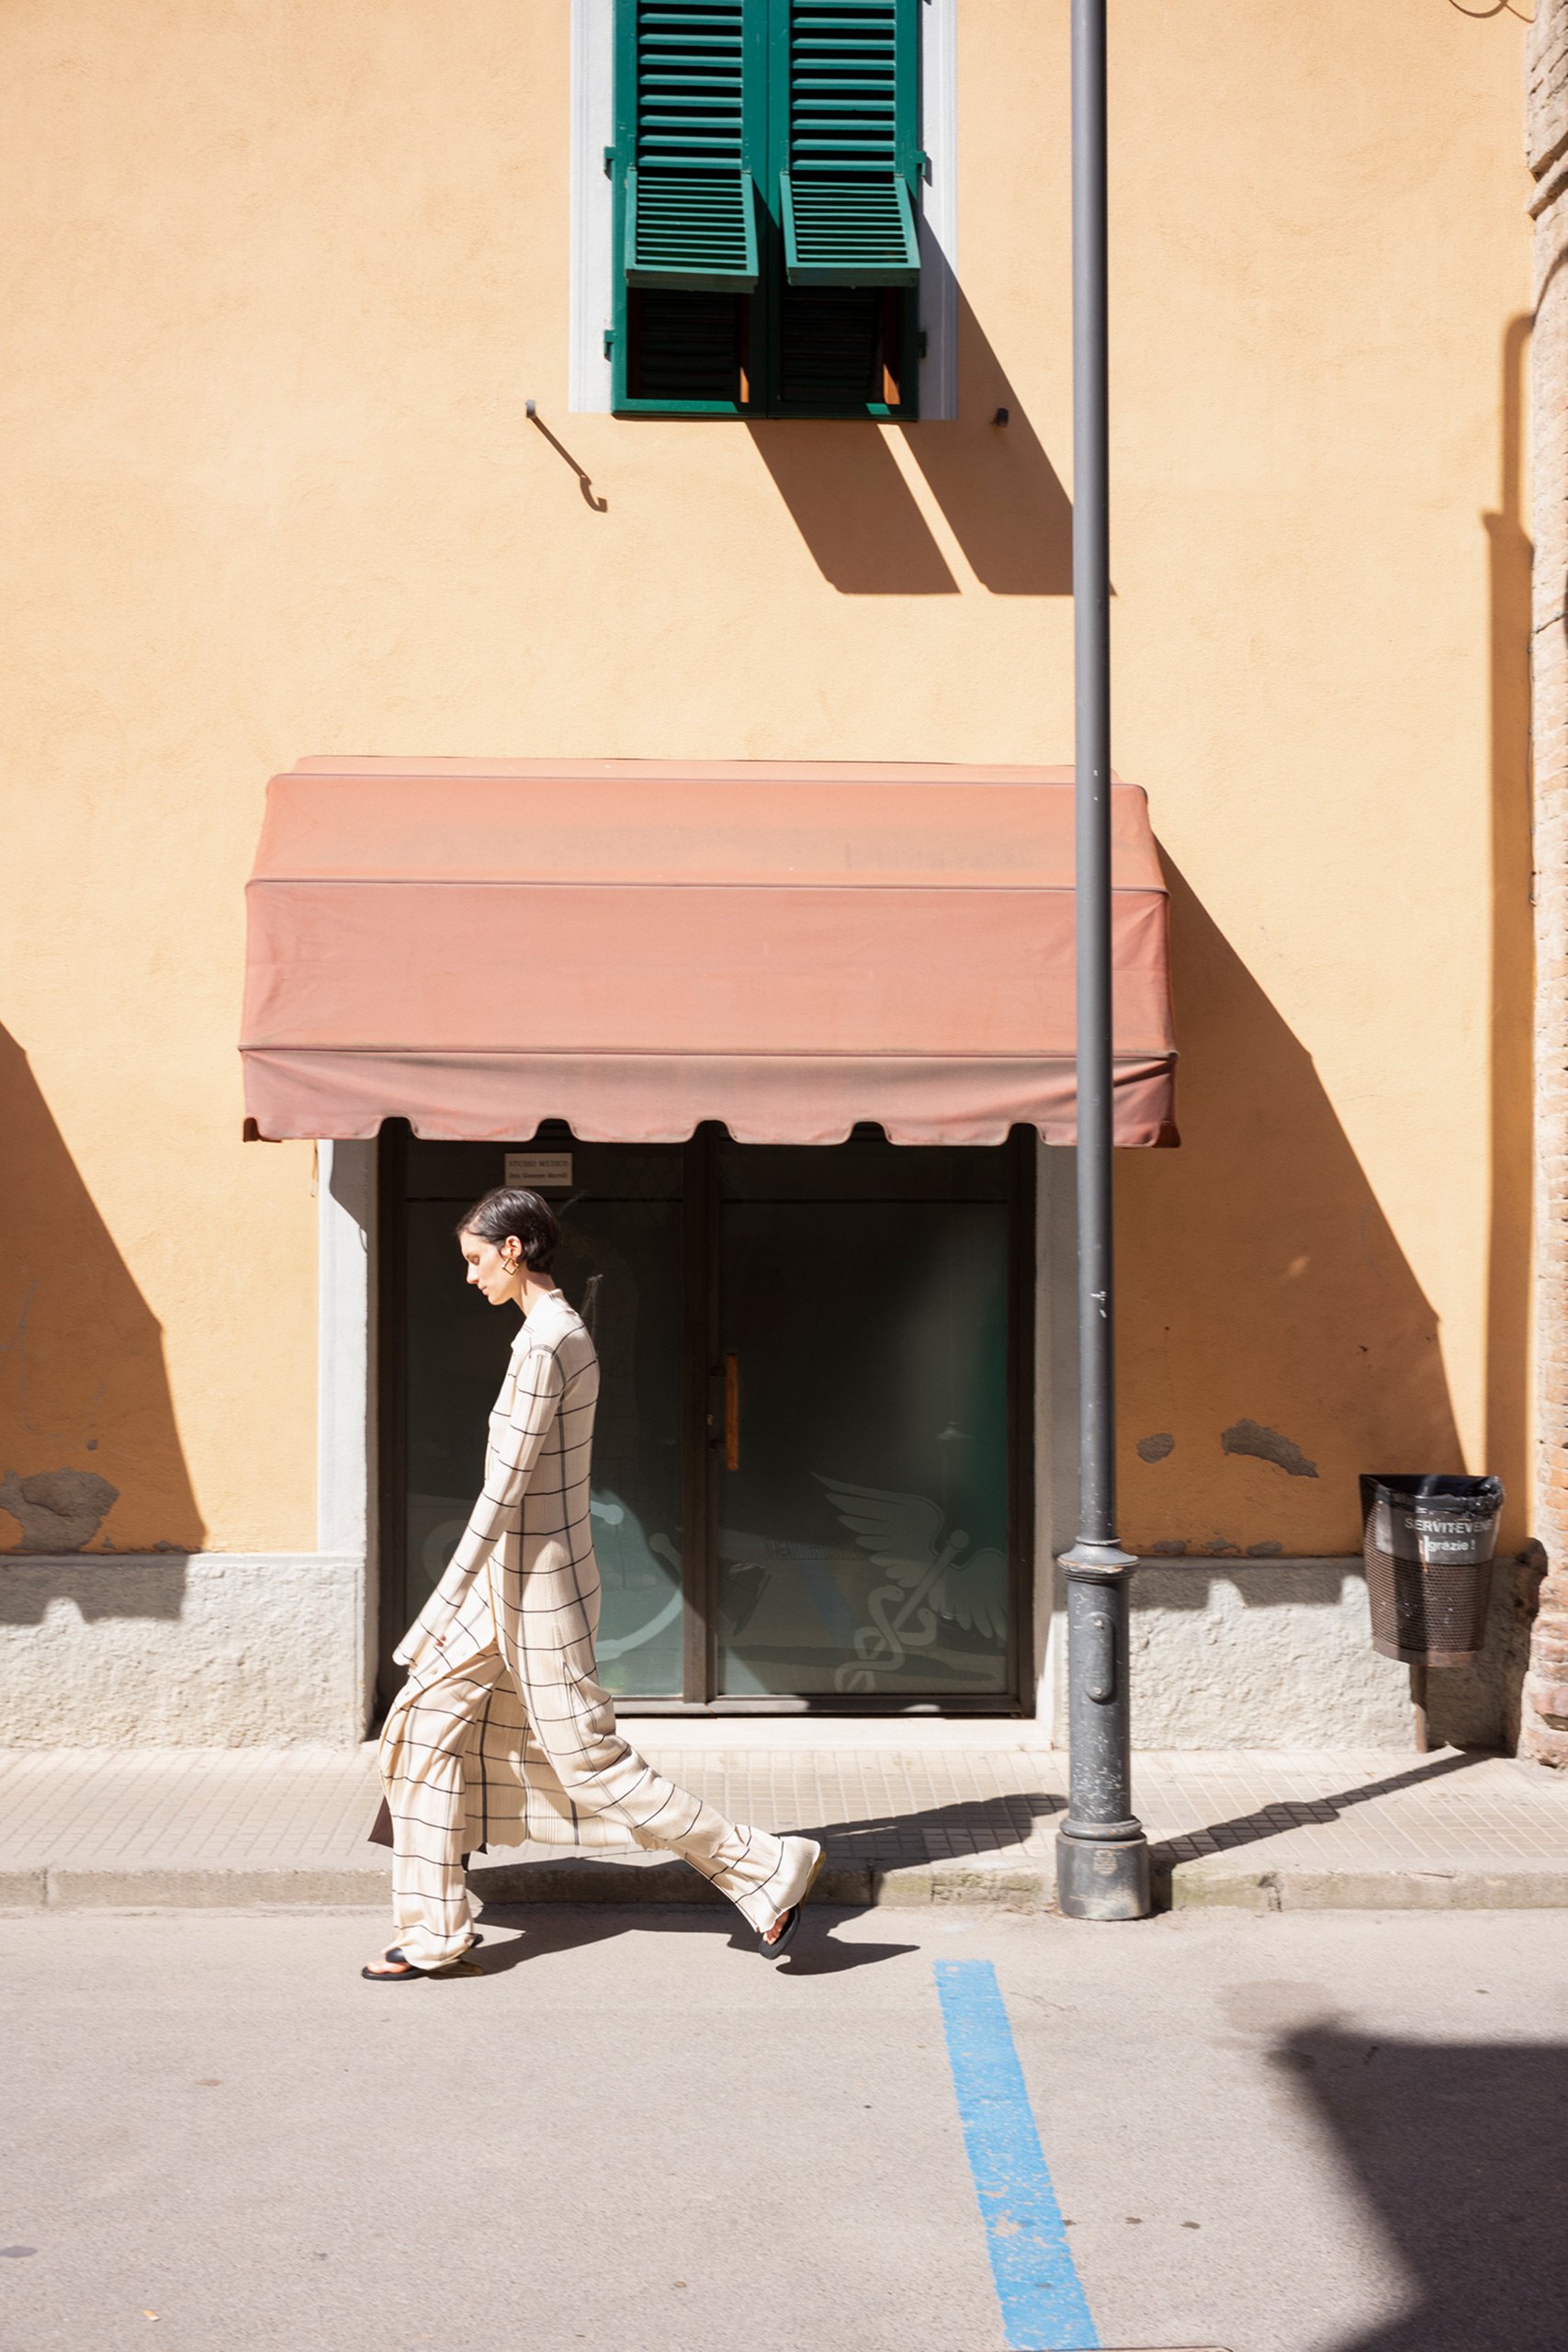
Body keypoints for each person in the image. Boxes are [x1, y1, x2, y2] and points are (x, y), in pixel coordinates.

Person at [364, 1185, 823, 1979]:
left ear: (512, 1251)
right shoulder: (547, 1332)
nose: (469, 1277)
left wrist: (439, 1600)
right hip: (514, 1576)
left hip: (538, 1583)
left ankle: (758, 1862)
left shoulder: (548, 1340)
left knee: (587, 1764)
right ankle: (436, 1929)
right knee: (421, 1726)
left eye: (475, 1260)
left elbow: (504, 1488)